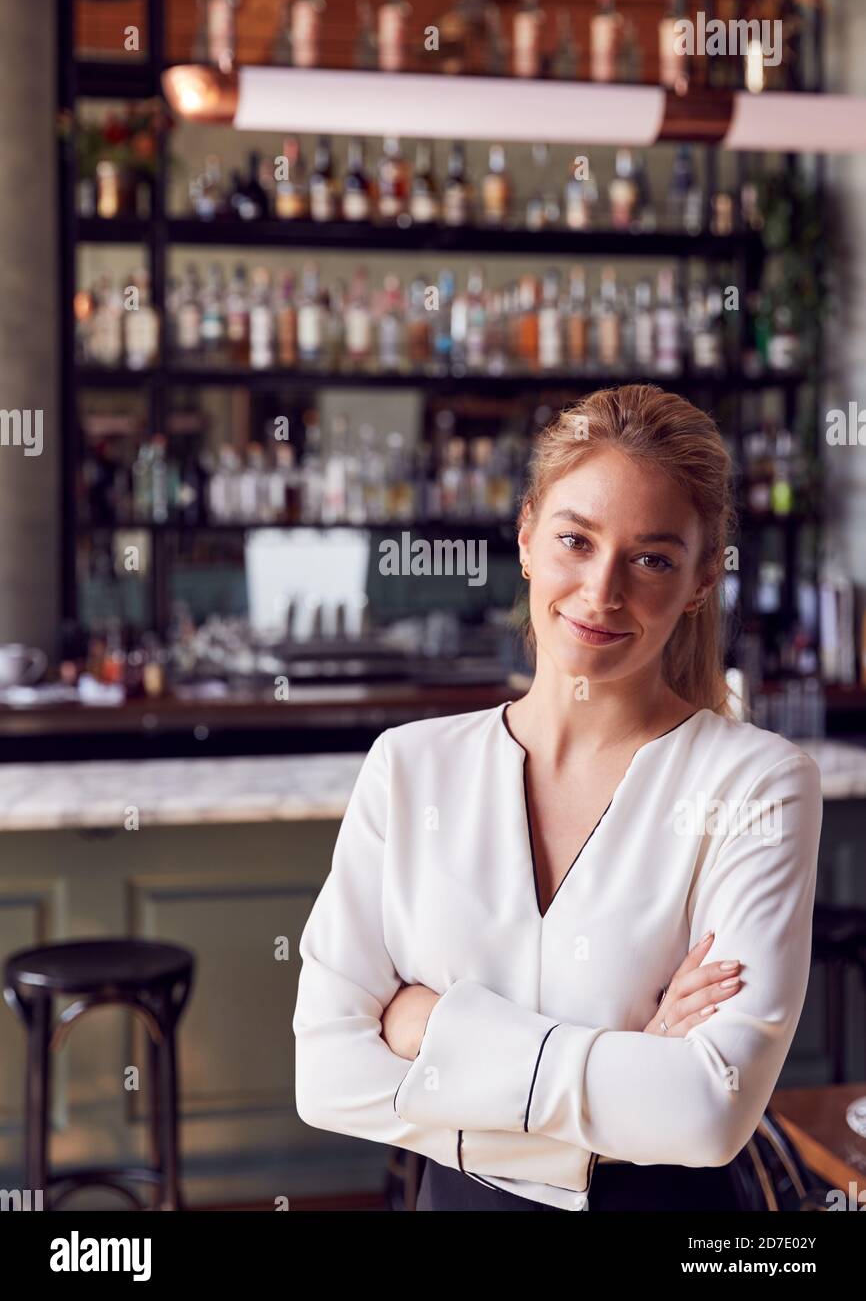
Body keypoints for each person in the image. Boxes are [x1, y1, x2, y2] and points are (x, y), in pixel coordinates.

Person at [292, 383, 823, 1211]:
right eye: (576, 540)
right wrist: (627, 1059)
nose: (602, 592)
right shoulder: (409, 767)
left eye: (651, 558)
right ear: (528, 537)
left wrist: (433, 1033)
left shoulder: (757, 782)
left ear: (699, 581)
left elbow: (710, 1113)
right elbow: (326, 1076)